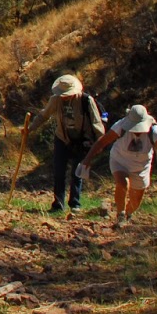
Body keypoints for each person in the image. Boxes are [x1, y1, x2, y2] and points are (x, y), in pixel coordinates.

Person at [79, 103, 157, 226]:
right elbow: (102, 142)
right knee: (122, 183)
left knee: (136, 199)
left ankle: (128, 214)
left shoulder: (154, 131)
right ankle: (120, 214)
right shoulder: (121, 126)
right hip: (120, 161)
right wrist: (87, 160)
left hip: (141, 166)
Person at [31, 74, 105, 214]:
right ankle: (58, 204)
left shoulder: (86, 100)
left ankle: (75, 203)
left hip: (82, 140)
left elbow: (96, 122)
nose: (65, 96)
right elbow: (43, 115)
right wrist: (30, 128)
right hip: (62, 138)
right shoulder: (55, 100)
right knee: (59, 172)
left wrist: (99, 142)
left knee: (77, 172)